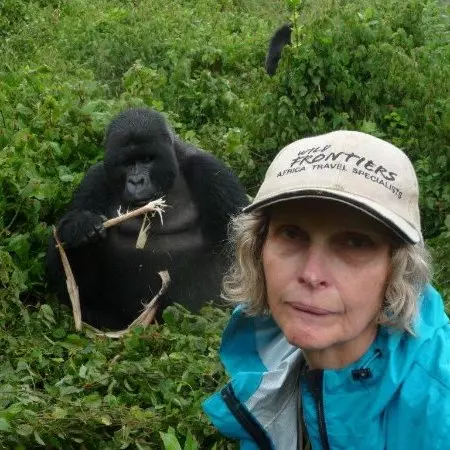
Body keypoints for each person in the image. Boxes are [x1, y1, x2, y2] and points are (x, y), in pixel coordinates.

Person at [202, 130, 450, 449]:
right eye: (292, 234)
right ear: (258, 247)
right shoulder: (260, 348)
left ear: (397, 268)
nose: (311, 274)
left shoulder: (440, 406)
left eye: (355, 242)